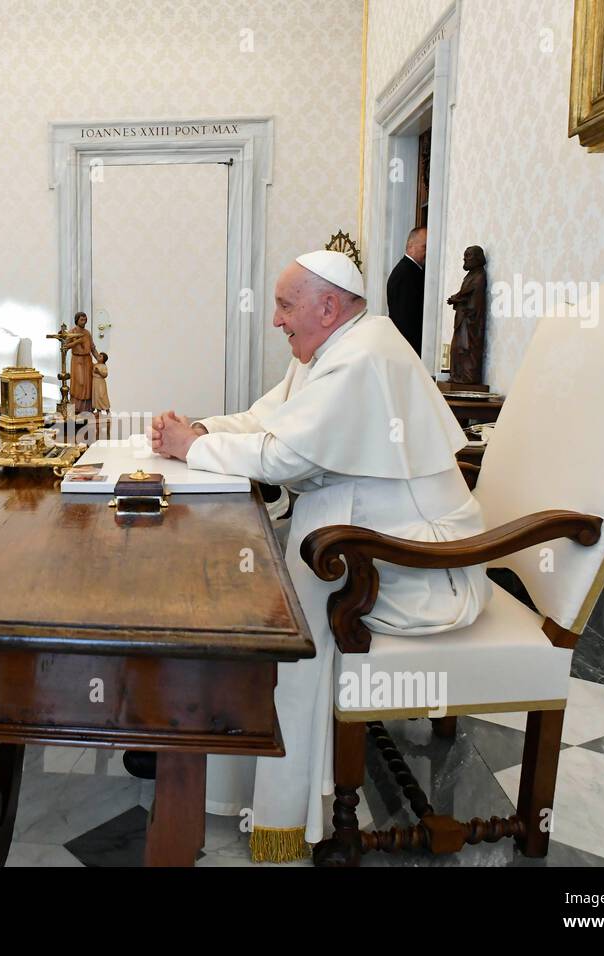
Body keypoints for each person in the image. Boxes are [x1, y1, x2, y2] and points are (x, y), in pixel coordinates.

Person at [148, 250, 491, 862]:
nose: (277, 321)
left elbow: (285, 459)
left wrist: (192, 447)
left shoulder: (362, 358)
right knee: (247, 589)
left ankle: (231, 765)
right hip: (360, 548)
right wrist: (198, 430)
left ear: (327, 307)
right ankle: (201, 744)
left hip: (417, 572)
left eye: (285, 306)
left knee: (259, 607)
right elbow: (264, 421)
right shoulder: (329, 350)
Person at [386, 225, 427, 355]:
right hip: (408, 348)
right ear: (410, 246)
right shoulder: (405, 274)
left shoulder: (412, 270)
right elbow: (405, 320)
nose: (428, 252)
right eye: (424, 247)